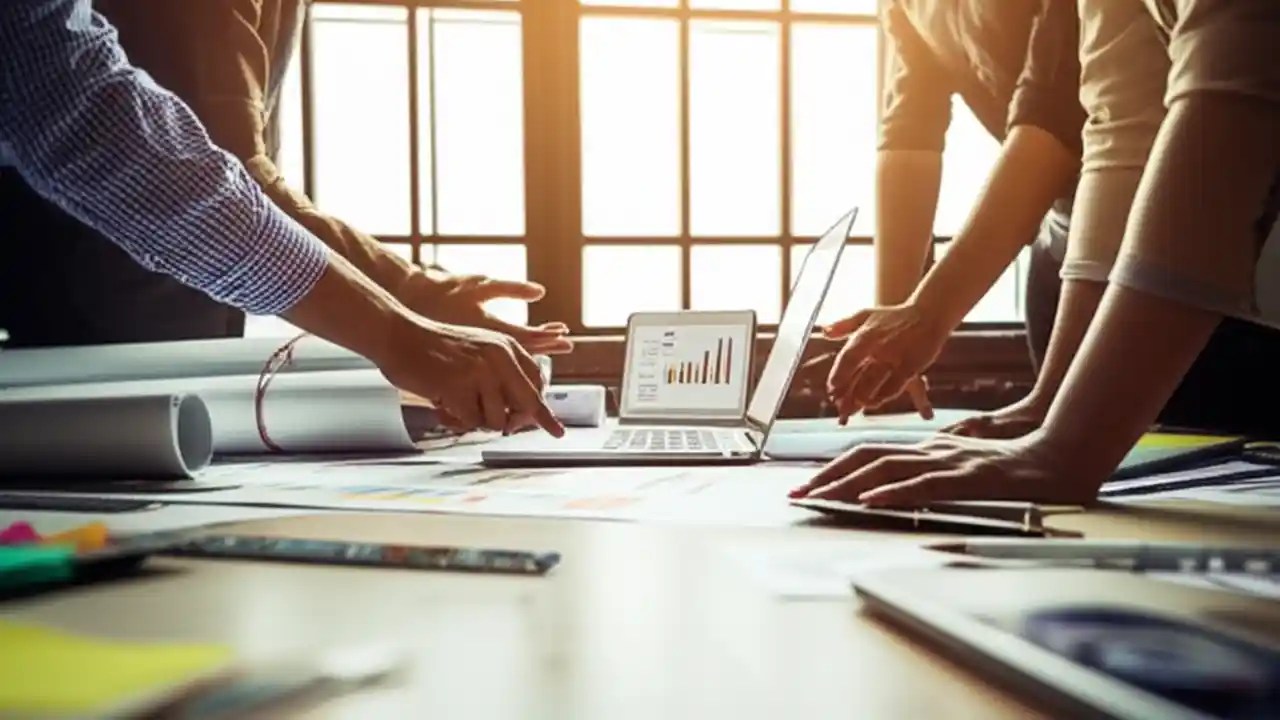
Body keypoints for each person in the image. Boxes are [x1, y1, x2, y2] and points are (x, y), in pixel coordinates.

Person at [0, 0, 565, 438]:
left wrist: (409, 309)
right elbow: (113, 135)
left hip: (153, 351)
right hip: (96, 341)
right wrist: (404, 314)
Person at [793, 0, 1280, 506]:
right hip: (1128, 241)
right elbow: (1123, 130)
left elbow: (1235, 99)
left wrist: (1065, 448)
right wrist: (1051, 412)